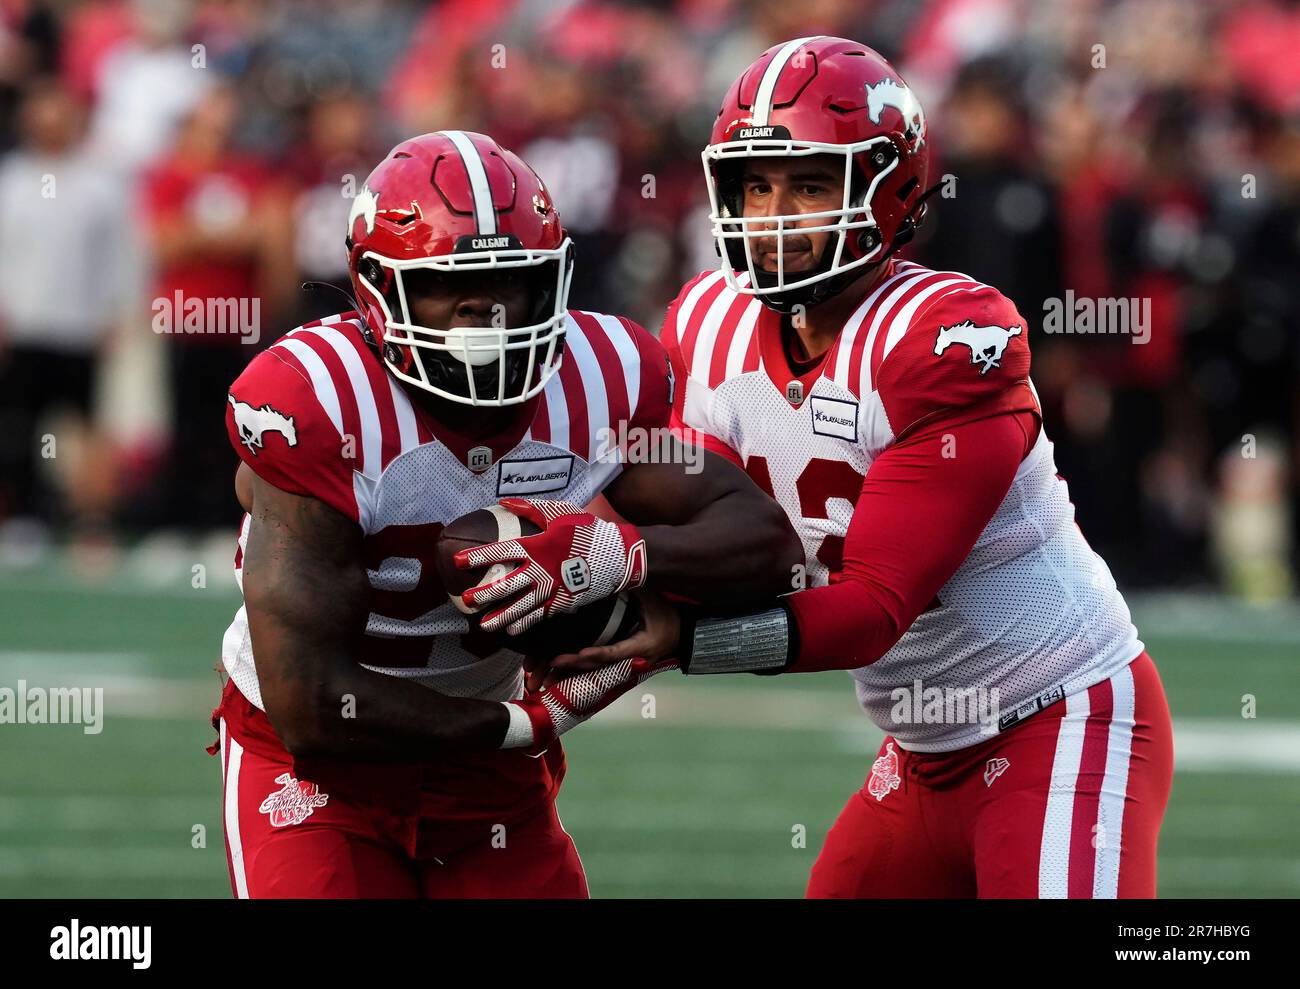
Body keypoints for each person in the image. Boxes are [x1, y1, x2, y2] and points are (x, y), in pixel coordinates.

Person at [552, 37, 1174, 899]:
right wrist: (569, 576)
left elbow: (874, 607)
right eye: (756, 185)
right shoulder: (707, 322)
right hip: (922, 749)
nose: (775, 213)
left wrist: (684, 640)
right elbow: (722, 540)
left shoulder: (947, 338)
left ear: (891, 189)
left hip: (1058, 716)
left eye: (810, 182)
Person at [213, 130, 801, 898]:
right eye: (446, 284)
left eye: (508, 280)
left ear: (551, 281)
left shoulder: (603, 374)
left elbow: (763, 542)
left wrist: (620, 554)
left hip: (486, 762)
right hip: (320, 769)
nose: (482, 309)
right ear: (377, 290)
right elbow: (314, 704)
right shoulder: (317, 397)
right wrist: (521, 726)